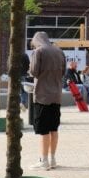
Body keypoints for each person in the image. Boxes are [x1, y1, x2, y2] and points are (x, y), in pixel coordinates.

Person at [28, 31, 66, 170]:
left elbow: (33, 72)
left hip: (42, 95)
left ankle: (43, 161)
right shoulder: (59, 51)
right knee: (53, 128)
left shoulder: (39, 52)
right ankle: (52, 159)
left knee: (43, 129)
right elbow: (63, 72)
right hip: (56, 95)